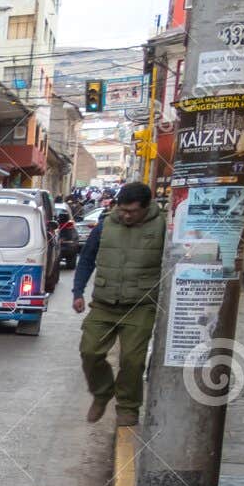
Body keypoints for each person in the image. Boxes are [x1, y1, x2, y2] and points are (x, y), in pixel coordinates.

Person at [72, 181, 166, 426]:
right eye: (122, 209)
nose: (126, 215)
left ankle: (128, 407)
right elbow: (87, 259)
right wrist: (78, 292)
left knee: (132, 361)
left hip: (140, 305)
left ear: (146, 207)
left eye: (132, 211)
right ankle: (102, 393)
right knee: (90, 351)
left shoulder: (163, 227)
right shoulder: (104, 226)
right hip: (104, 302)